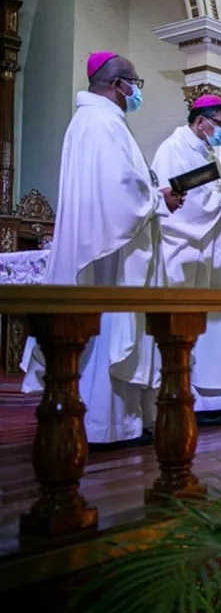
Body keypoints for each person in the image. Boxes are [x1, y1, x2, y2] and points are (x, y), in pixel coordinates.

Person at [22, 51, 184, 447]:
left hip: (109, 246)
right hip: (111, 254)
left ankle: (117, 423)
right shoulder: (100, 124)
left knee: (107, 332)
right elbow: (120, 197)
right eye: (135, 83)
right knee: (109, 331)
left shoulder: (97, 122)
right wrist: (158, 199)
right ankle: (104, 427)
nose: (136, 91)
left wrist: (152, 195)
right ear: (117, 84)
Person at [151, 94, 221, 423]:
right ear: (200, 121)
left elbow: (206, 195)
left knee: (218, 324)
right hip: (188, 253)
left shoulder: (205, 151)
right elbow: (180, 201)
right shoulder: (174, 150)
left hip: (213, 252)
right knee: (195, 326)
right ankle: (195, 398)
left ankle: (215, 398)